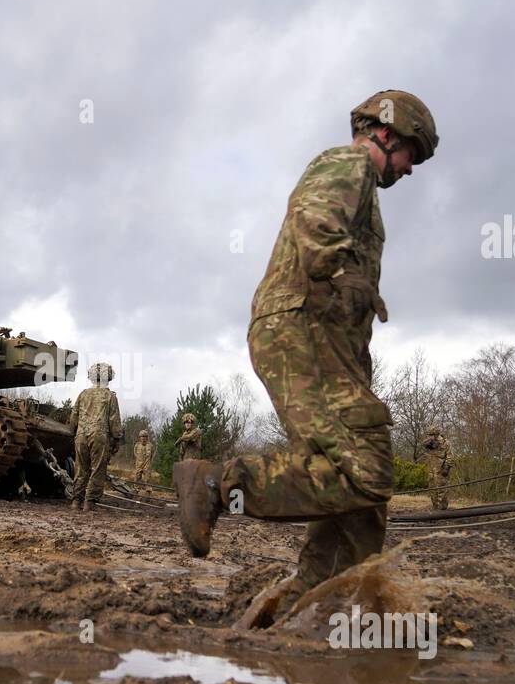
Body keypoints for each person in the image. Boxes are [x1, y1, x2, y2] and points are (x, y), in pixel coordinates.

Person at [173, 90, 439, 627]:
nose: (411, 168)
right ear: (388, 134)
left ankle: (321, 605)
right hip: (301, 330)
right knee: (365, 471)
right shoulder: (348, 164)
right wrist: (342, 271)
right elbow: (313, 215)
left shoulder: (366, 189)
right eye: (413, 153)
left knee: (362, 501)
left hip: (326, 342)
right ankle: (216, 483)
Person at [68, 362, 123, 512]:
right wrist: (117, 438)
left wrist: (73, 432)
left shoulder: (83, 394)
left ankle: (76, 501)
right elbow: (114, 420)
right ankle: (90, 502)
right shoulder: (109, 396)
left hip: (81, 435)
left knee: (80, 468)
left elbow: (74, 417)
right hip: (99, 434)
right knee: (97, 468)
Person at [421, 425, 452, 511]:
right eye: (429, 435)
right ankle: (435, 508)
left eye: (431, 435)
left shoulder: (445, 443)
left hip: (441, 470)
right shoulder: (430, 442)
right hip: (431, 471)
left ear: (436, 434)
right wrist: (429, 443)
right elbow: (423, 444)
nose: (430, 436)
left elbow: (450, 456)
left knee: (442, 490)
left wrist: (446, 468)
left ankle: (442, 509)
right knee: (432, 489)